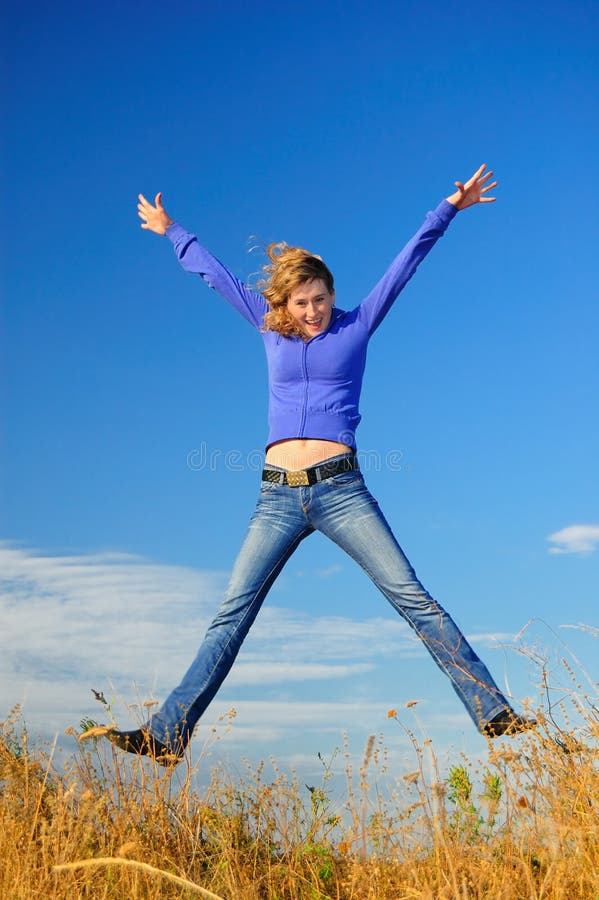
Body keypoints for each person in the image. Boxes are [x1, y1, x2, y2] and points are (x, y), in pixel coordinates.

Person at [105, 165, 535, 766]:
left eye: (321, 300)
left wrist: (448, 209)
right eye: (302, 303)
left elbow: (405, 264)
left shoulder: (356, 327)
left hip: (341, 491)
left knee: (411, 596)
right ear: (285, 302)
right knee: (231, 612)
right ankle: (168, 732)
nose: (313, 311)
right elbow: (216, 275)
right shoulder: (268, 328)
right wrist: (171, 229)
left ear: (334, 295)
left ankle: (493, 711)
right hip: (276, 495)